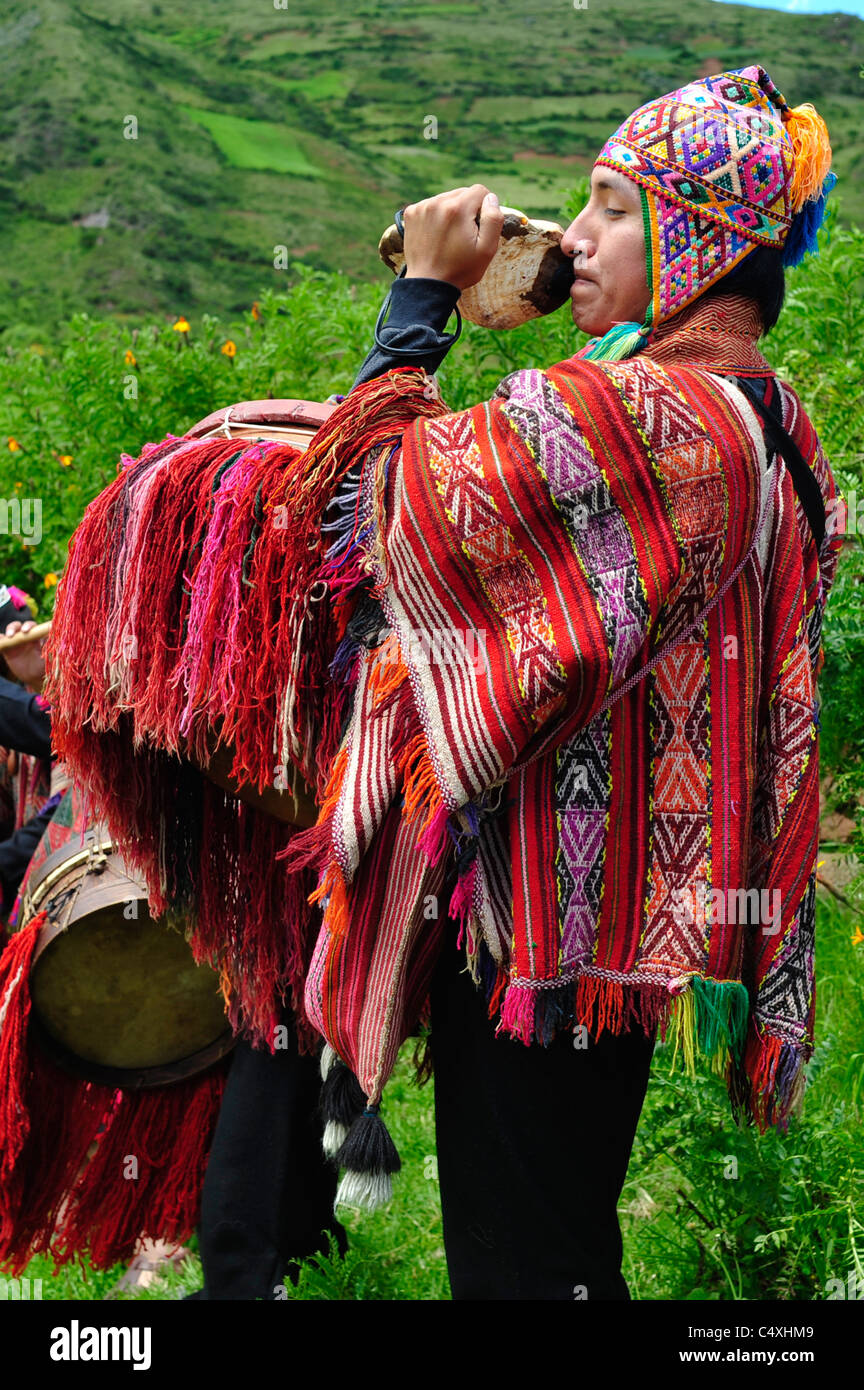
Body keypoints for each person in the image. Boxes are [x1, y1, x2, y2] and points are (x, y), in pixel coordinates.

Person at [282, 64, 844, 1300]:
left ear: (698, 239)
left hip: (557, 928)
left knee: (525, 1259)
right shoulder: (736, 404)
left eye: (612, 207)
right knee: (551, 1242)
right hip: (594, 930)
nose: (573, 236)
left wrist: (421, 297)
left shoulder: (668, 412)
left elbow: (372, 506)